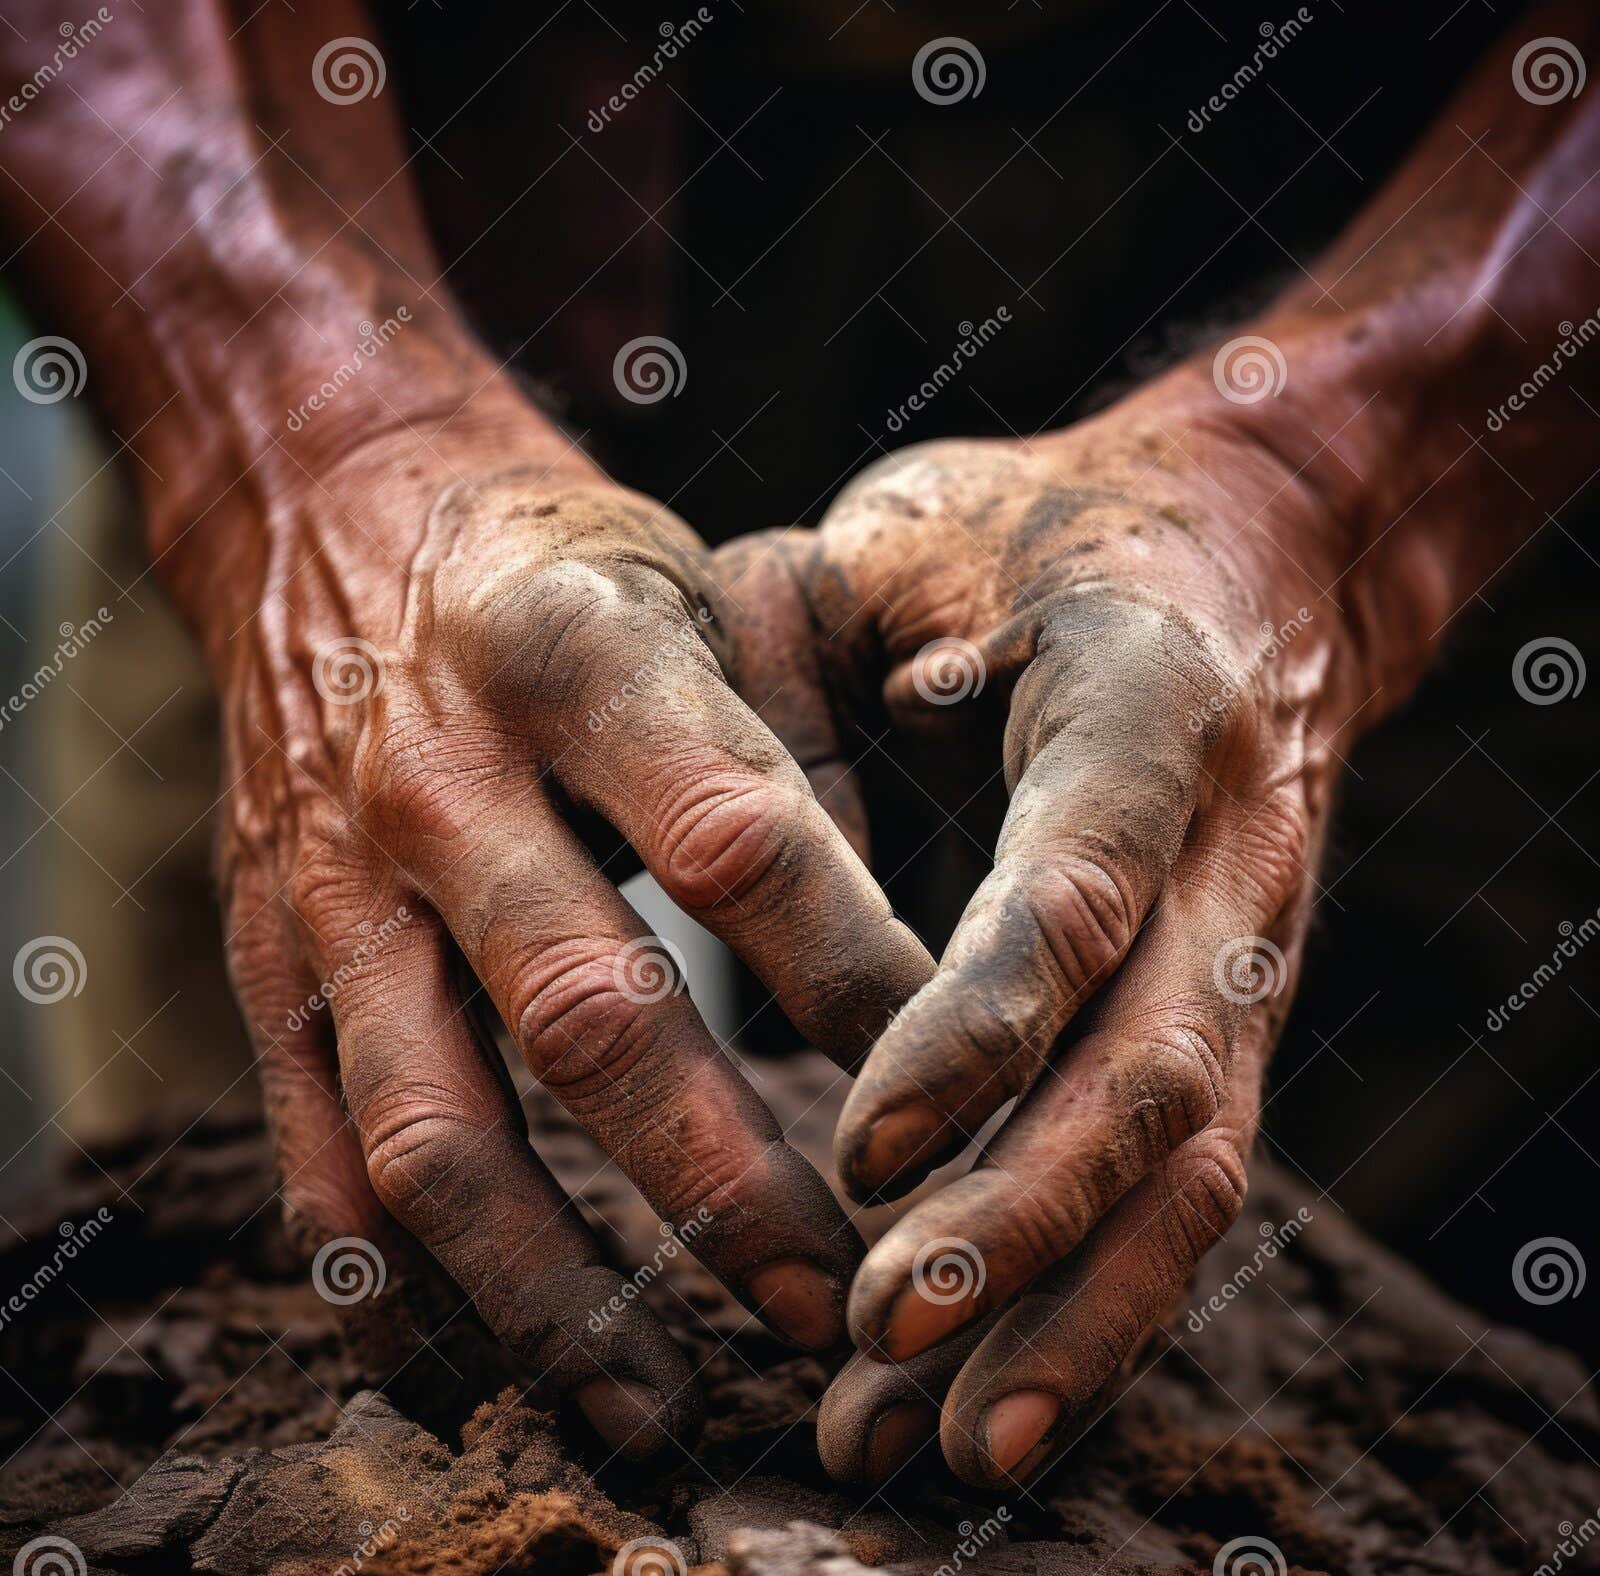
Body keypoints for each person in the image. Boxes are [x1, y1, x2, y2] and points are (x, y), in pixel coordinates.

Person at [0, 0, 1594, 1490]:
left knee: (1372, 1372)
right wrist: (296, 439)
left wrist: (1326, 476)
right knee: (276, 1281)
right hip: (343, 180)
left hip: (1372, 212)